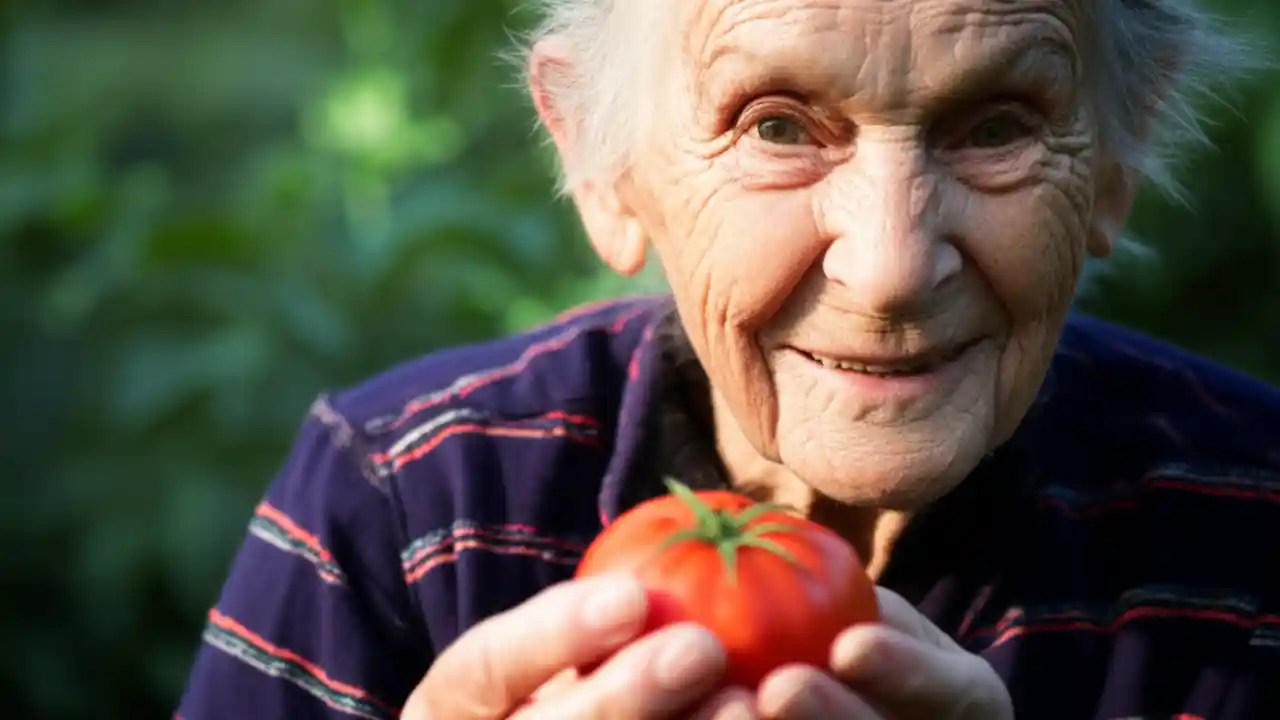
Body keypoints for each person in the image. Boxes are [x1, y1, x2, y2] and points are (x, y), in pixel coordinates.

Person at [176, 0, 1280, 718]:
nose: (889, 265)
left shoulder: (1254, 524)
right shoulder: (404, 501)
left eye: (995, 126)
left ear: (1115, 159)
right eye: (776, 127)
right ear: (598, 165)